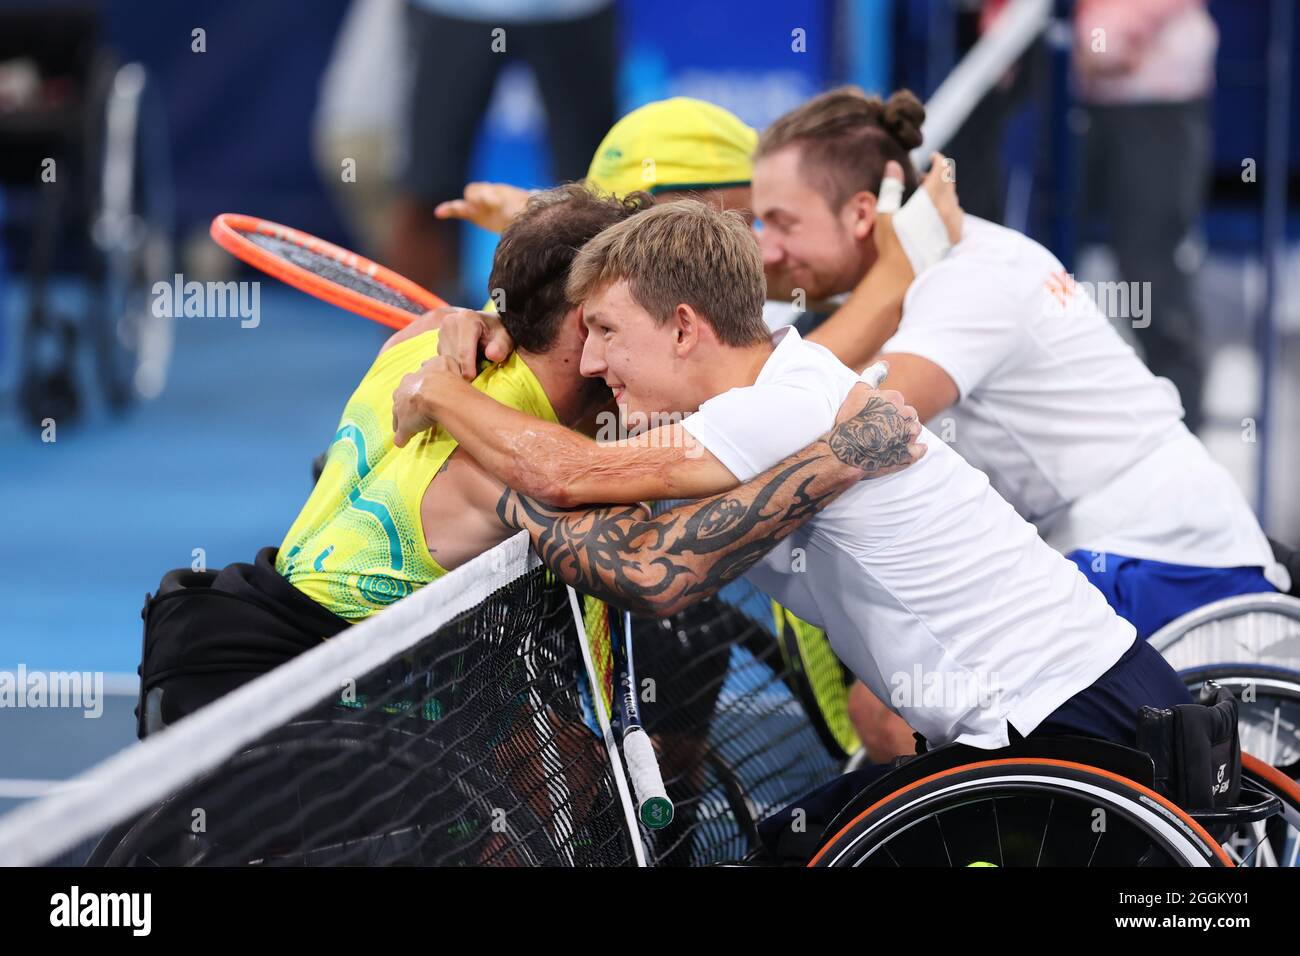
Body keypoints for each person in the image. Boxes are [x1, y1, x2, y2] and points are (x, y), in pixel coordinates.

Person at [390, 200, 1194, 853]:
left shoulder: (777, 409)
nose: (593, 362)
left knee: (789, 851)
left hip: (1063, 729)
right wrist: (483, 313)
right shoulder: (780, 375)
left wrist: (441, 391)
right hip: (1084, 707)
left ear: (681, 328)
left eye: (604, 331)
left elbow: (566, 475)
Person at [748, 85, 1285, 758]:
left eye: (779, 222)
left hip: (1167, 560)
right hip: (1141, 545)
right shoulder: (955, 265)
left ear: (864, 213)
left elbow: (833, 421)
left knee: (892, 706)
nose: (765, 249)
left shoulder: (969, 280)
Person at [386, 0, 617, 300]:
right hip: (455, 9)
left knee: (595, 199)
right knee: (427, 190)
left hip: (574, 10)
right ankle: (407, 339)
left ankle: (593, 337)